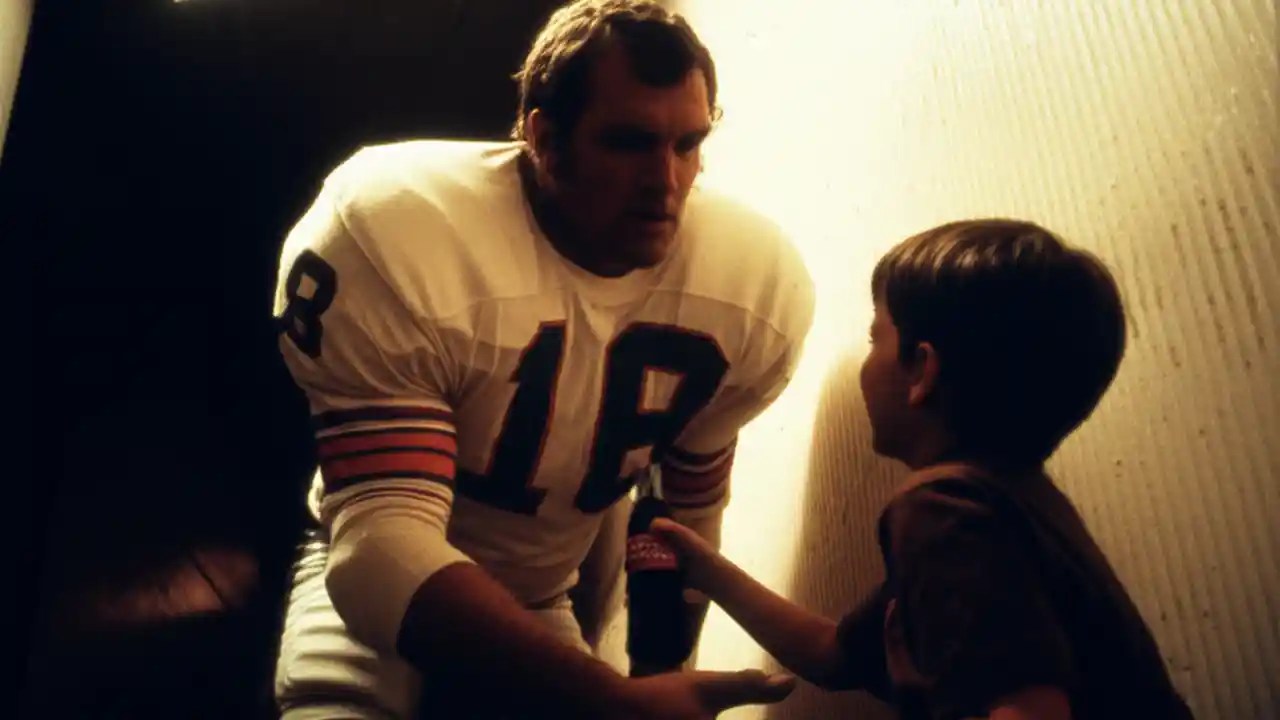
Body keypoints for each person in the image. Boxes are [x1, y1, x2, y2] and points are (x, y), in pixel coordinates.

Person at [270, 1, 814, 717]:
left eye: (688, 144)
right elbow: (382, 539)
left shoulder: (753, 282)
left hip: (537, 592)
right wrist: (612, 701)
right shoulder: (399, 226)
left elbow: (688, 508)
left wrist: (659, 666)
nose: (668, 181)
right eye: (629, 142)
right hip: (364, 581)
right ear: (543, 137)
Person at [650, 220, 1197, 720]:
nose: (867, 361)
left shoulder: (944, 509)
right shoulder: (1008, 502)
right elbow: (835, 655)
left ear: (921, 369)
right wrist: (706, 569)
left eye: (875, 338)